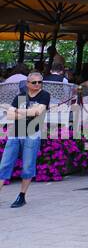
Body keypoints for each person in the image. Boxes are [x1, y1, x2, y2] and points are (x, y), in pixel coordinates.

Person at [2, 71, 50, 208]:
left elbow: (38, 112)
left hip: (32, 133)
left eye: (40, 82)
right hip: (16, 133)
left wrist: (18, 112)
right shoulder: (20, 97)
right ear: (28, 83)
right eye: (34, 82)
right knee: (5, 164)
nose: (37, 85)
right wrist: (28, 112)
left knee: (28, 165)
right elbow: (10, 115)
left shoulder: (44, 95)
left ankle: (21, 196)